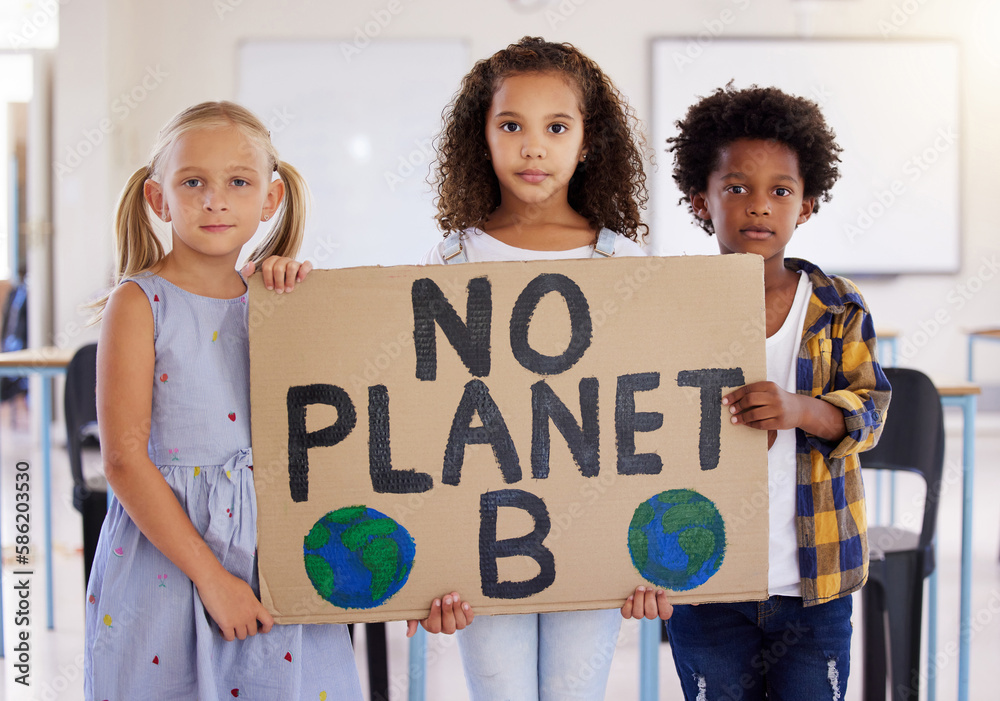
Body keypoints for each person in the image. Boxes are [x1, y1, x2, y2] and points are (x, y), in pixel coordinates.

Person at [83, 101, 363, 700]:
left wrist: (293, 306)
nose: (215, 201)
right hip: (169, 562)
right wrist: (212, 579)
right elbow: (123, 459)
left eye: (238, 182)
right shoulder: (138, 303)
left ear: (270, 198)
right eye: (193, 183)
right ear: (159, 199)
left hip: (279, 557)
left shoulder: (280, 300)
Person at [422, 36, 669, 701]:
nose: (533, 147)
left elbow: (654, 410)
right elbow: (427, 409)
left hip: (592, 532)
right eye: (512, 126)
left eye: (556, 127)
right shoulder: (451, 261)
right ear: (482, 138)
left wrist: (650, 547)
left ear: (588, 142)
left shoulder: (624, 265)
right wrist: (429, 563)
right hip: (481, 535)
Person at [664, 83, 891, 698]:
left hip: (813, 583)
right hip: (706, 581)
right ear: (702, 200)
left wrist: (801, 410)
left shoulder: (838, 306)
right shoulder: (673, 304)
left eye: (781, 192)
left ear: (807, 206)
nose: (759, 206)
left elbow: (870, 413)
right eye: (737, 188)